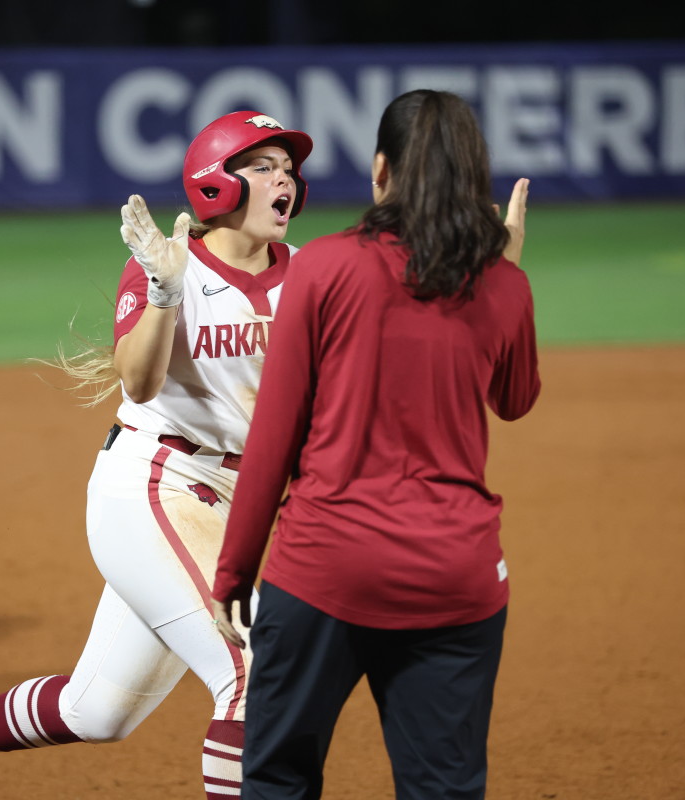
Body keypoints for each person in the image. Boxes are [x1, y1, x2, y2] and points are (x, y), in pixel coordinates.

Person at [0, 110, 314, 800]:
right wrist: (163, 293)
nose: (284, 179)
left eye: (289, 170)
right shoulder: (169, 265)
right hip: (157, 485)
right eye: (263, 166)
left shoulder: (309, 276)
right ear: (216, 185)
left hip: (237, 505)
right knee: (254, 670)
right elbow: (138, 379)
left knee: (98, 710)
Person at [210, 89, 540, 800]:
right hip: (456, 575)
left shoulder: (321, 267)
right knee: (443, 789)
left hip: (325, 567)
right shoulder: (503, 283)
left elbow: (277, 429)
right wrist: (507, 267)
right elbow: (516, 400)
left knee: (276, 781)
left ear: (380, 170)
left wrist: (235, 572)